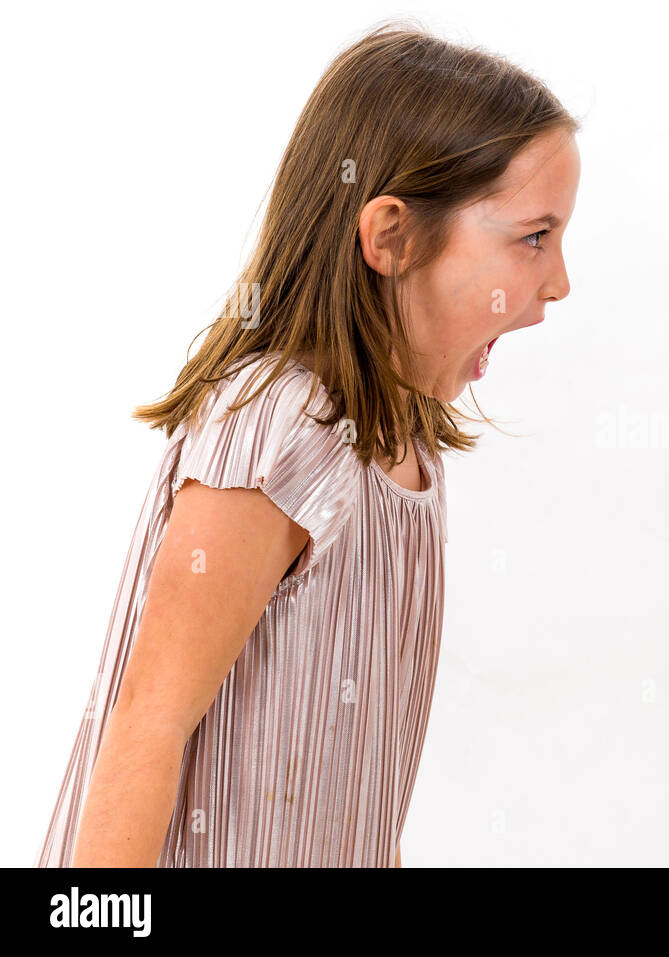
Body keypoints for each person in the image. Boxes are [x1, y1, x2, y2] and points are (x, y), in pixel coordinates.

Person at [36, 21, 580, 867]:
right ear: (391, 237)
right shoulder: (278, 428)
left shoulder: (406, 447)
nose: (558, 281)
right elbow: (150, 714)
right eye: (534, 237)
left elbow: (357, 796)